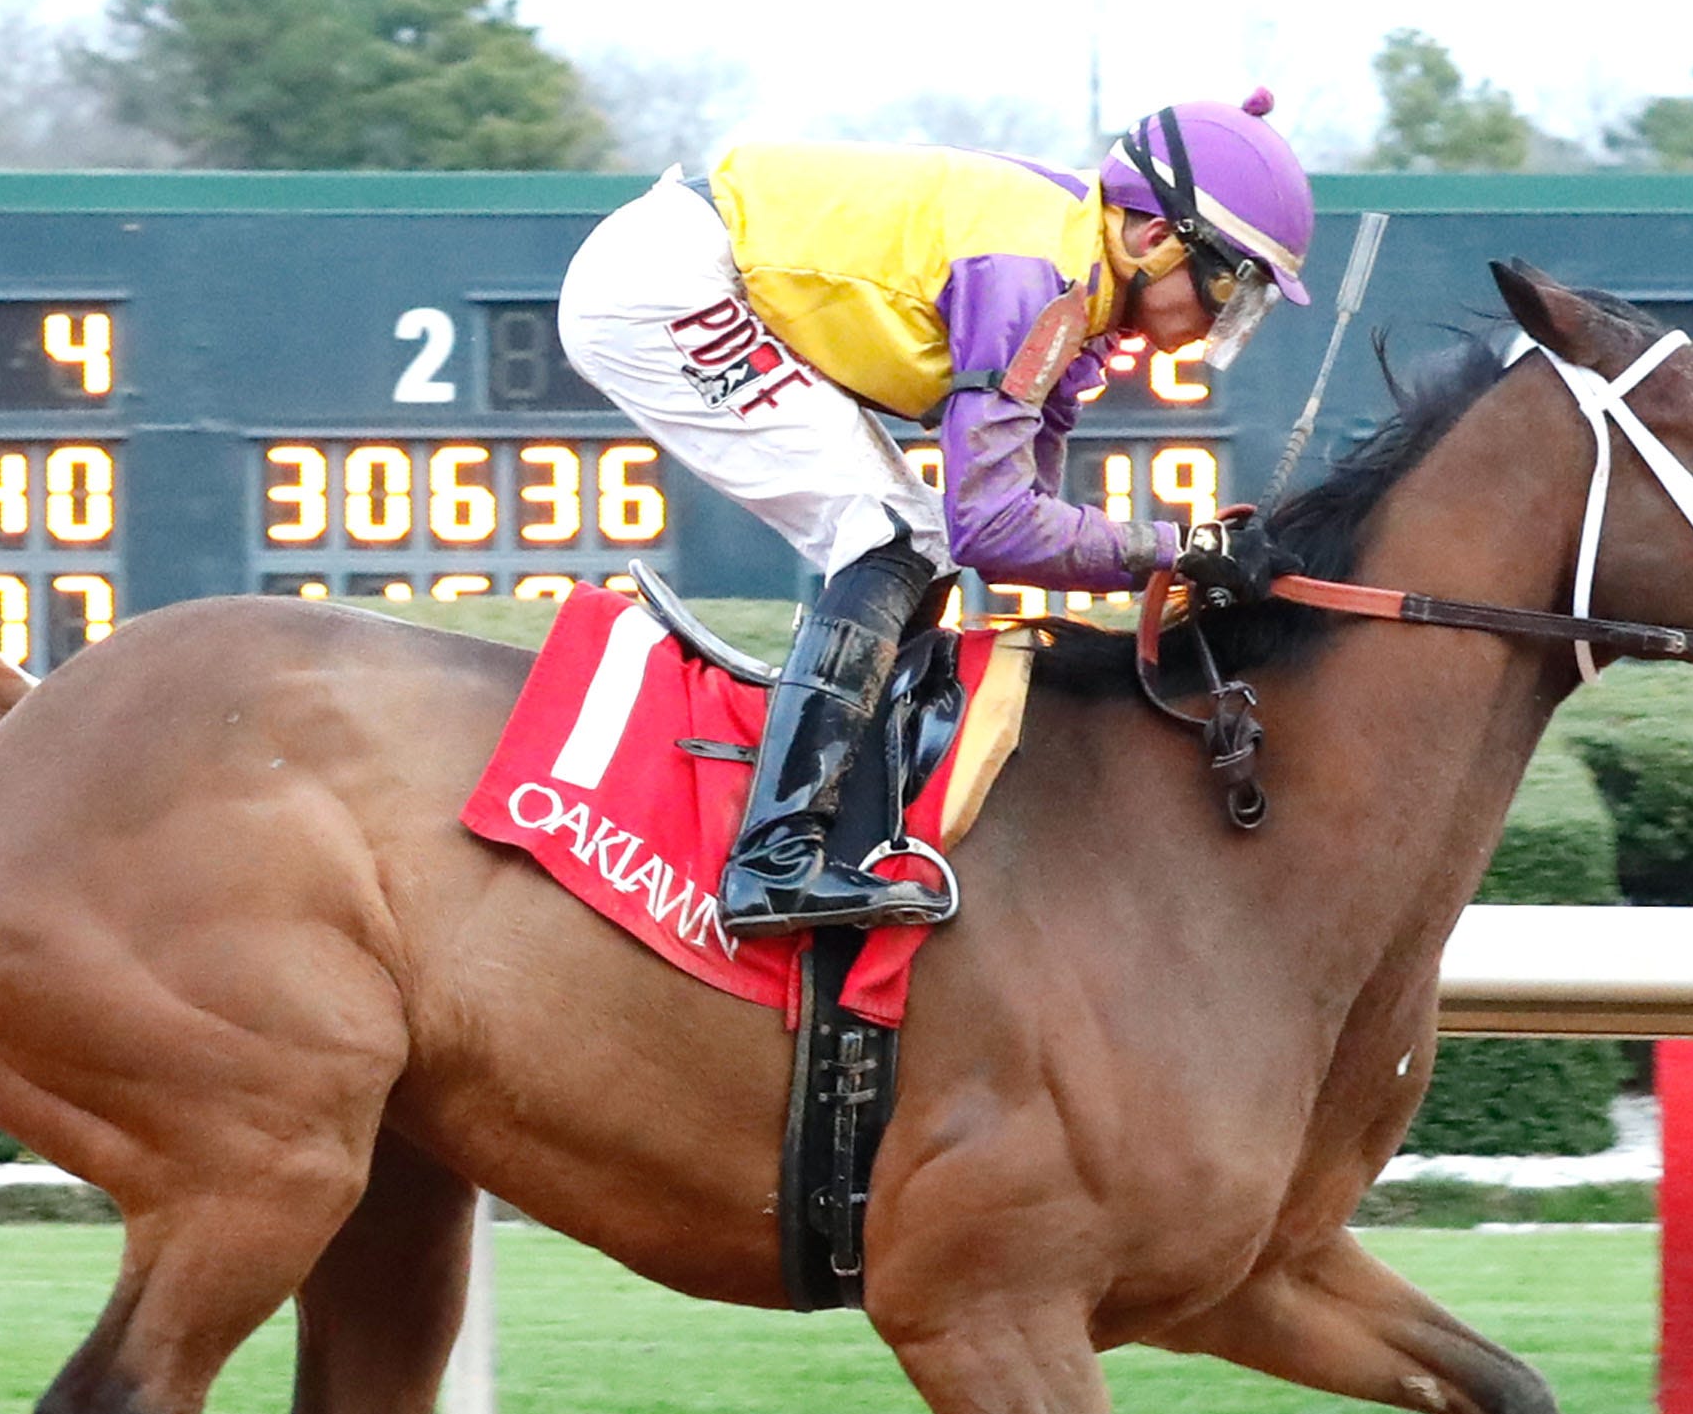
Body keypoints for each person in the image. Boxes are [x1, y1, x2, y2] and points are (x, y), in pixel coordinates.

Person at [557, 97, 1314, 935]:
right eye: (1228, 287)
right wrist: (1186, 548)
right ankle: (774, 862)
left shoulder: (1078, 290)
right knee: (891, 536)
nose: (1222, 321)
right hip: (665, 284)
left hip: (690, 262)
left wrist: (1178, 555)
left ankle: (847, 821)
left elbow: (1023, 525)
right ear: (1152, 238)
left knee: (915, 543)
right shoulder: (1032, 279)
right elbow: (991, 527)